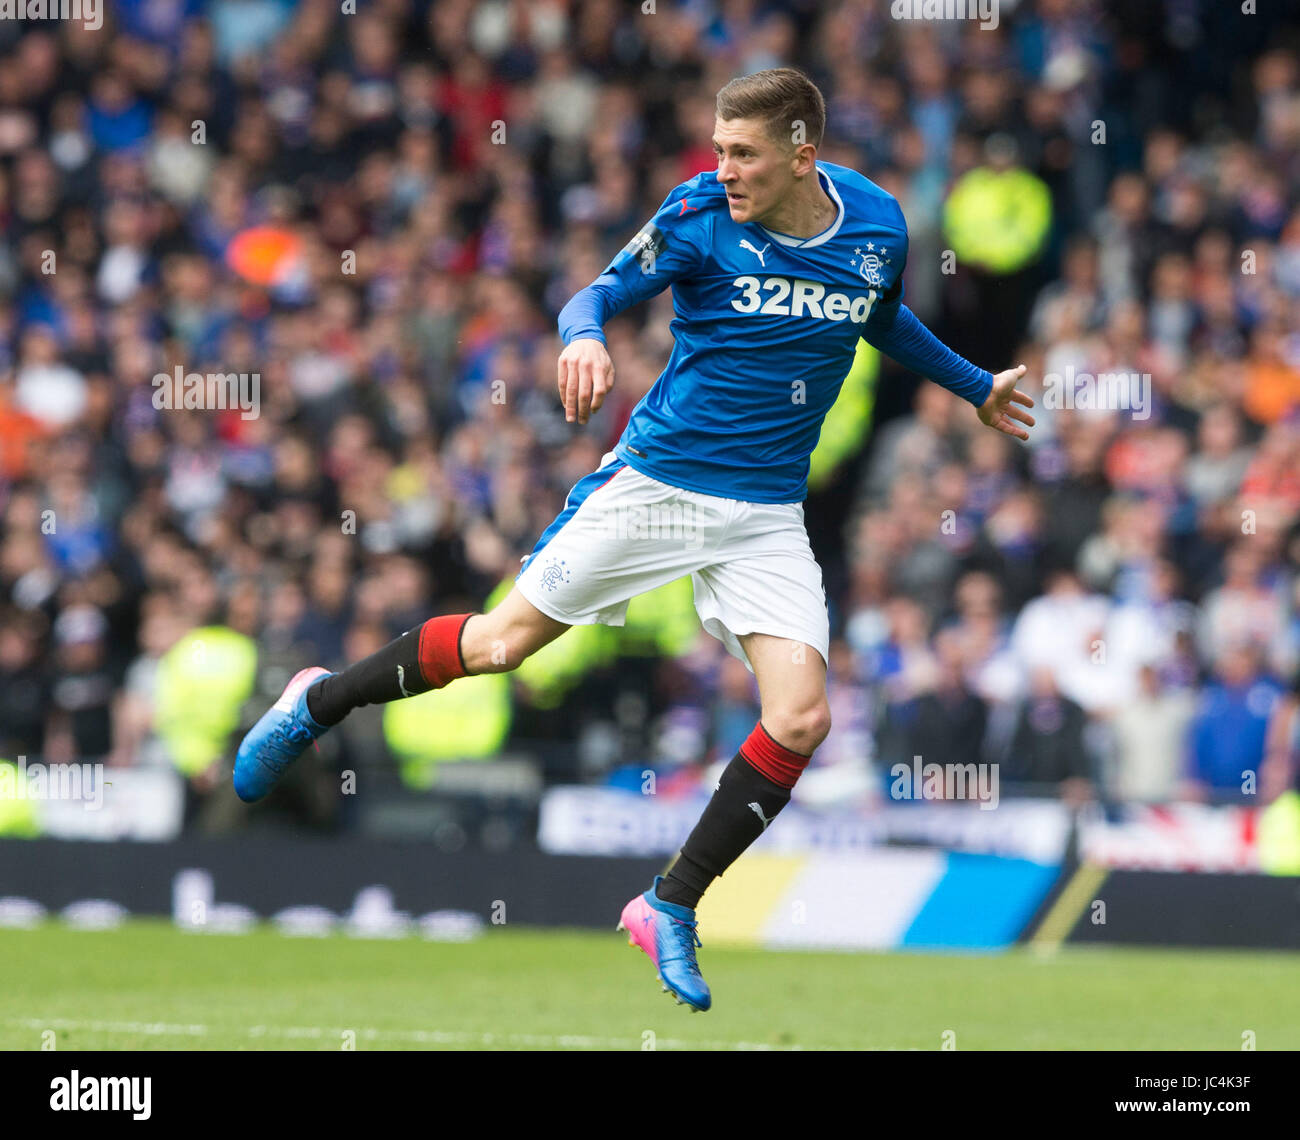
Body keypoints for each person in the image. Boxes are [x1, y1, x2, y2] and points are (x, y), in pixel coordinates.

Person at [233, 68, 1035, 1012]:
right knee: (501, 646)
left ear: (801, 152)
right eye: (719, 149)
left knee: (803, 718)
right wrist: (583, 337)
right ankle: (317, 701)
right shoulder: (698, 214)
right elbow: (596, 292)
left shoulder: (877, 222)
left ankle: (670, 902)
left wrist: (972, 382)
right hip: (658, 484)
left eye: (743, 153)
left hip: (767, 512)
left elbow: (878, 314)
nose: (724, 168)